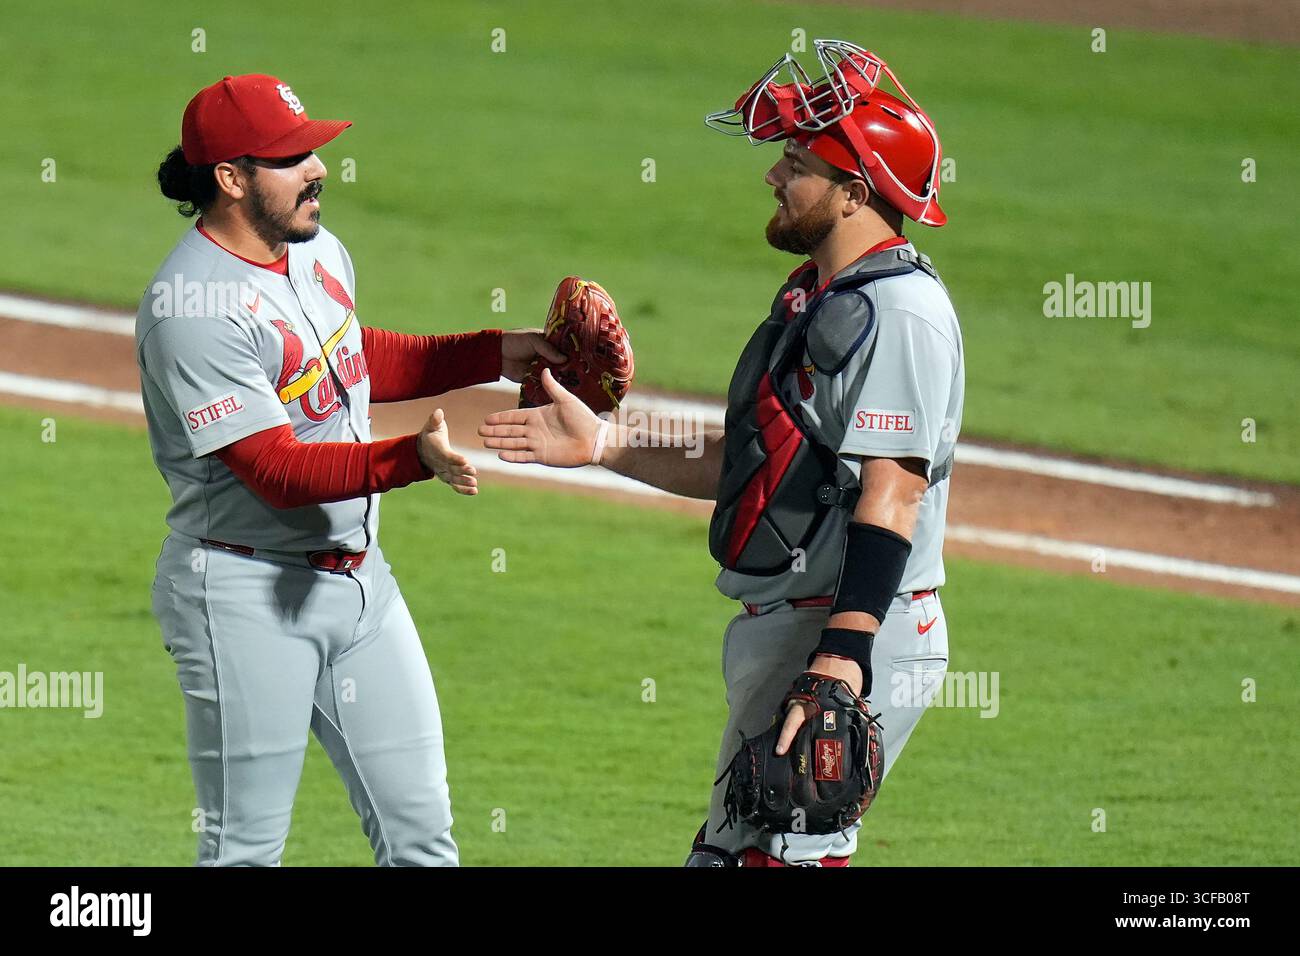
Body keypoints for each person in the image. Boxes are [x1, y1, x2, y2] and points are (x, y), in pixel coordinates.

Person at [478, 41, 963, 866]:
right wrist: (606, 443)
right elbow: (763, 463)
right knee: (743, 853)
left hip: (850, 629)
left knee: (776, 855)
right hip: (795, 626)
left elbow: (893, 493)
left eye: (798, 162)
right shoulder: (821, 295)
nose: (774, 176)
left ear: (855, 193)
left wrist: (844, 657)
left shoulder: (902, 315)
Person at [140, 73, 561, 865]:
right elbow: (273, 468)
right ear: (230, 178)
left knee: (423, 841)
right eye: (290, 156)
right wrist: (412, 460)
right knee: (243, 852)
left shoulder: (315, 250)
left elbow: (349, 359)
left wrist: (491, 353)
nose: (318, 168)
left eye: (313, 150)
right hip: (242, 595)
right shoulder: (189, 308)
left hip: (363, 586)